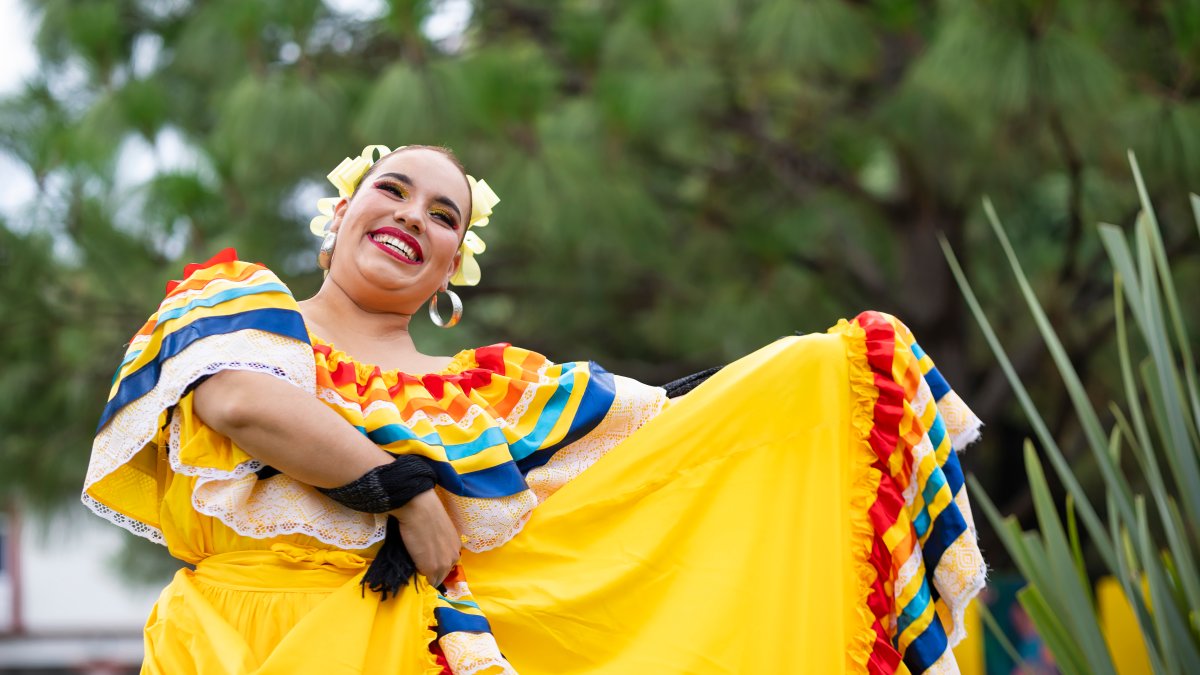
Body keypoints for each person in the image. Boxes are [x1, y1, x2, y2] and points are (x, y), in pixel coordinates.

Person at [83, 144, 987, 674]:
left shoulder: (494, 394)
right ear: (341, 214)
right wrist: (405, 491)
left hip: (418, 648)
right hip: (239, 643)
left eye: (445, 214)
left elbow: (668, 442)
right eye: (392, 188)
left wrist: (813, 382)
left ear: (449, 275)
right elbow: (244, 402)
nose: (413, 214)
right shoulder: (240, 303)